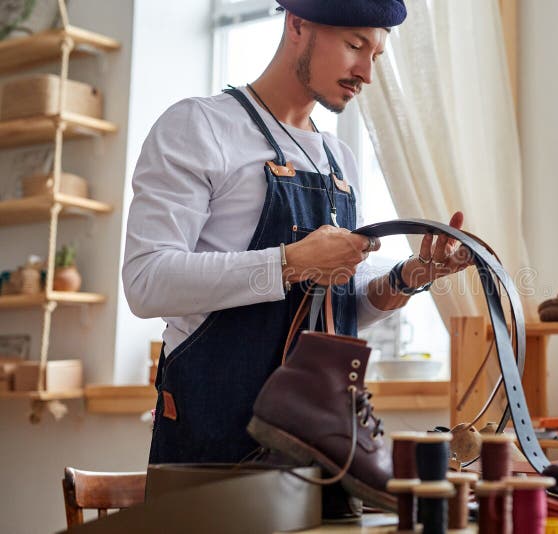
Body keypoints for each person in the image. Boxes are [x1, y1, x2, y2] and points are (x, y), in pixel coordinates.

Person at [122, 0, 470, 465]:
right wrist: (290, 262)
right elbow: (146, 282)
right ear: (298, 24)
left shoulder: (338, 159)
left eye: (377, 56)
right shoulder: (199, 126)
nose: (366, 72)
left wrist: (405, 279)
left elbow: (327, 307)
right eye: (354, 45)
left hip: (325, 450)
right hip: (216, 440)